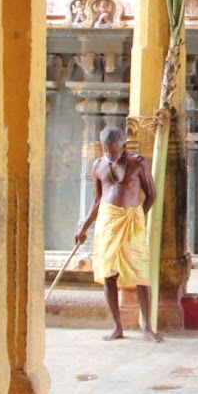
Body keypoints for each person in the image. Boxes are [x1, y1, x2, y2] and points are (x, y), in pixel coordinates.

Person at [76, 125, 160, 341]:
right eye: (106, 151)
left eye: (113, 151)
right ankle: (117, 327)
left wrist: (138, 216)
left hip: (132, 221)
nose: (109, 155)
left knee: (141, 274)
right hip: (107, 221)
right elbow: (97, 200)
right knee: (109, 275)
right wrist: (84, 227)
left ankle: (148, 328)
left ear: (123, 146)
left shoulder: (138, 162)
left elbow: (151, 194)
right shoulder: (98, 165)